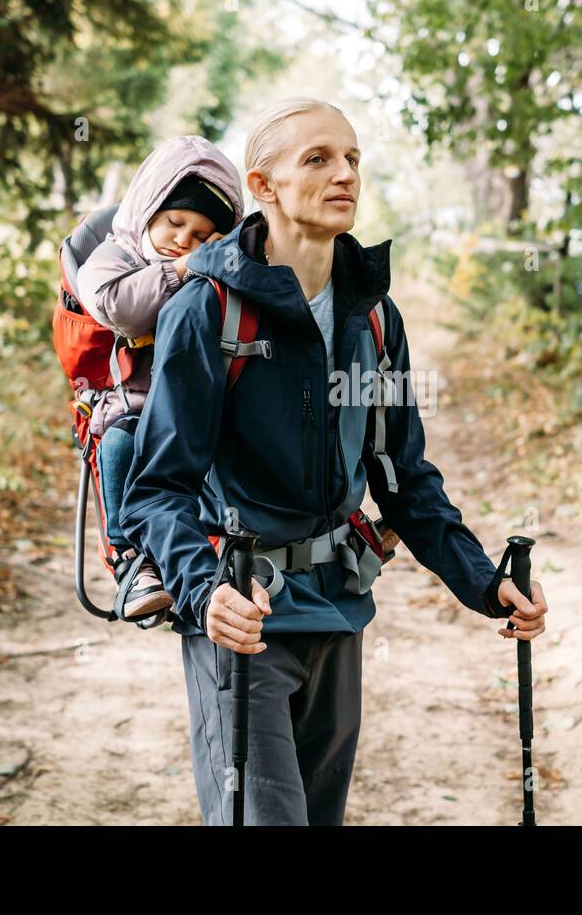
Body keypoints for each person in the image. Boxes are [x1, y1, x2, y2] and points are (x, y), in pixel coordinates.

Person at [121, 99, 548, 825]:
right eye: (316, 159)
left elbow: (404, 477)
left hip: (337, 609)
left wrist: (483, 581)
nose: (344, 173)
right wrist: (203, 592)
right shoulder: (208, 310)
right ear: (264, 185)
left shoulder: (373, 317)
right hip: (243, 617)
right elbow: (157, 489)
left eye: (351, 158)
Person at [74, 136, 244, 620]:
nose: (183, 239)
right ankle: (132, 564)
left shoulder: (213, 268)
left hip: (197, 405)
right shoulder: (114, 257)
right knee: (120, 444)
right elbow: (115, 306)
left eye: (201, 235)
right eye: (174, 222)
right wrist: (181, 271)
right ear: (148, 211)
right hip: (134, 404)